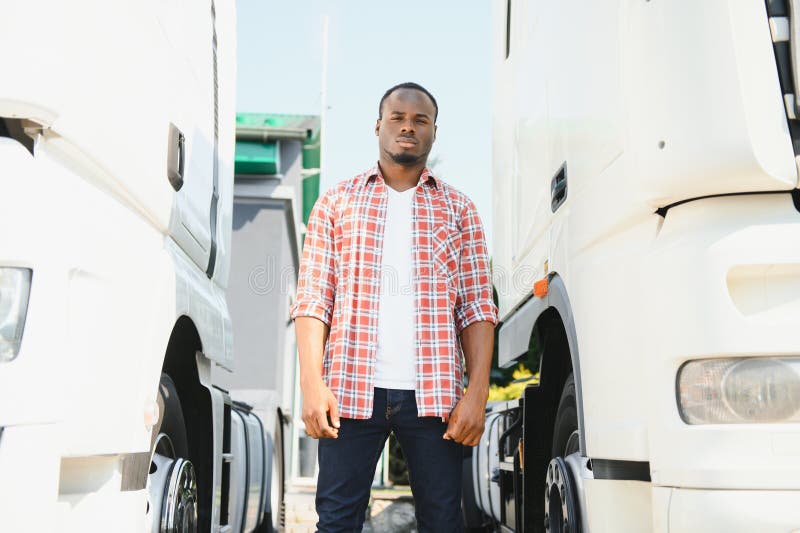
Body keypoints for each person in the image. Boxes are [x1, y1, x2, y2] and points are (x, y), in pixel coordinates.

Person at [290, 81, 498, 533]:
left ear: (434, 132)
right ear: (378, 126)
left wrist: (477, 392)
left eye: (420, 120)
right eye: (398, 118)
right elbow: (312, 300)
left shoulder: (459, 209)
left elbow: (478, 308)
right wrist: (312, 382)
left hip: (436, 399)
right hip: (349, 392)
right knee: (337, 522)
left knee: (444, 522)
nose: (408, 127)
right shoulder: (336, 202)